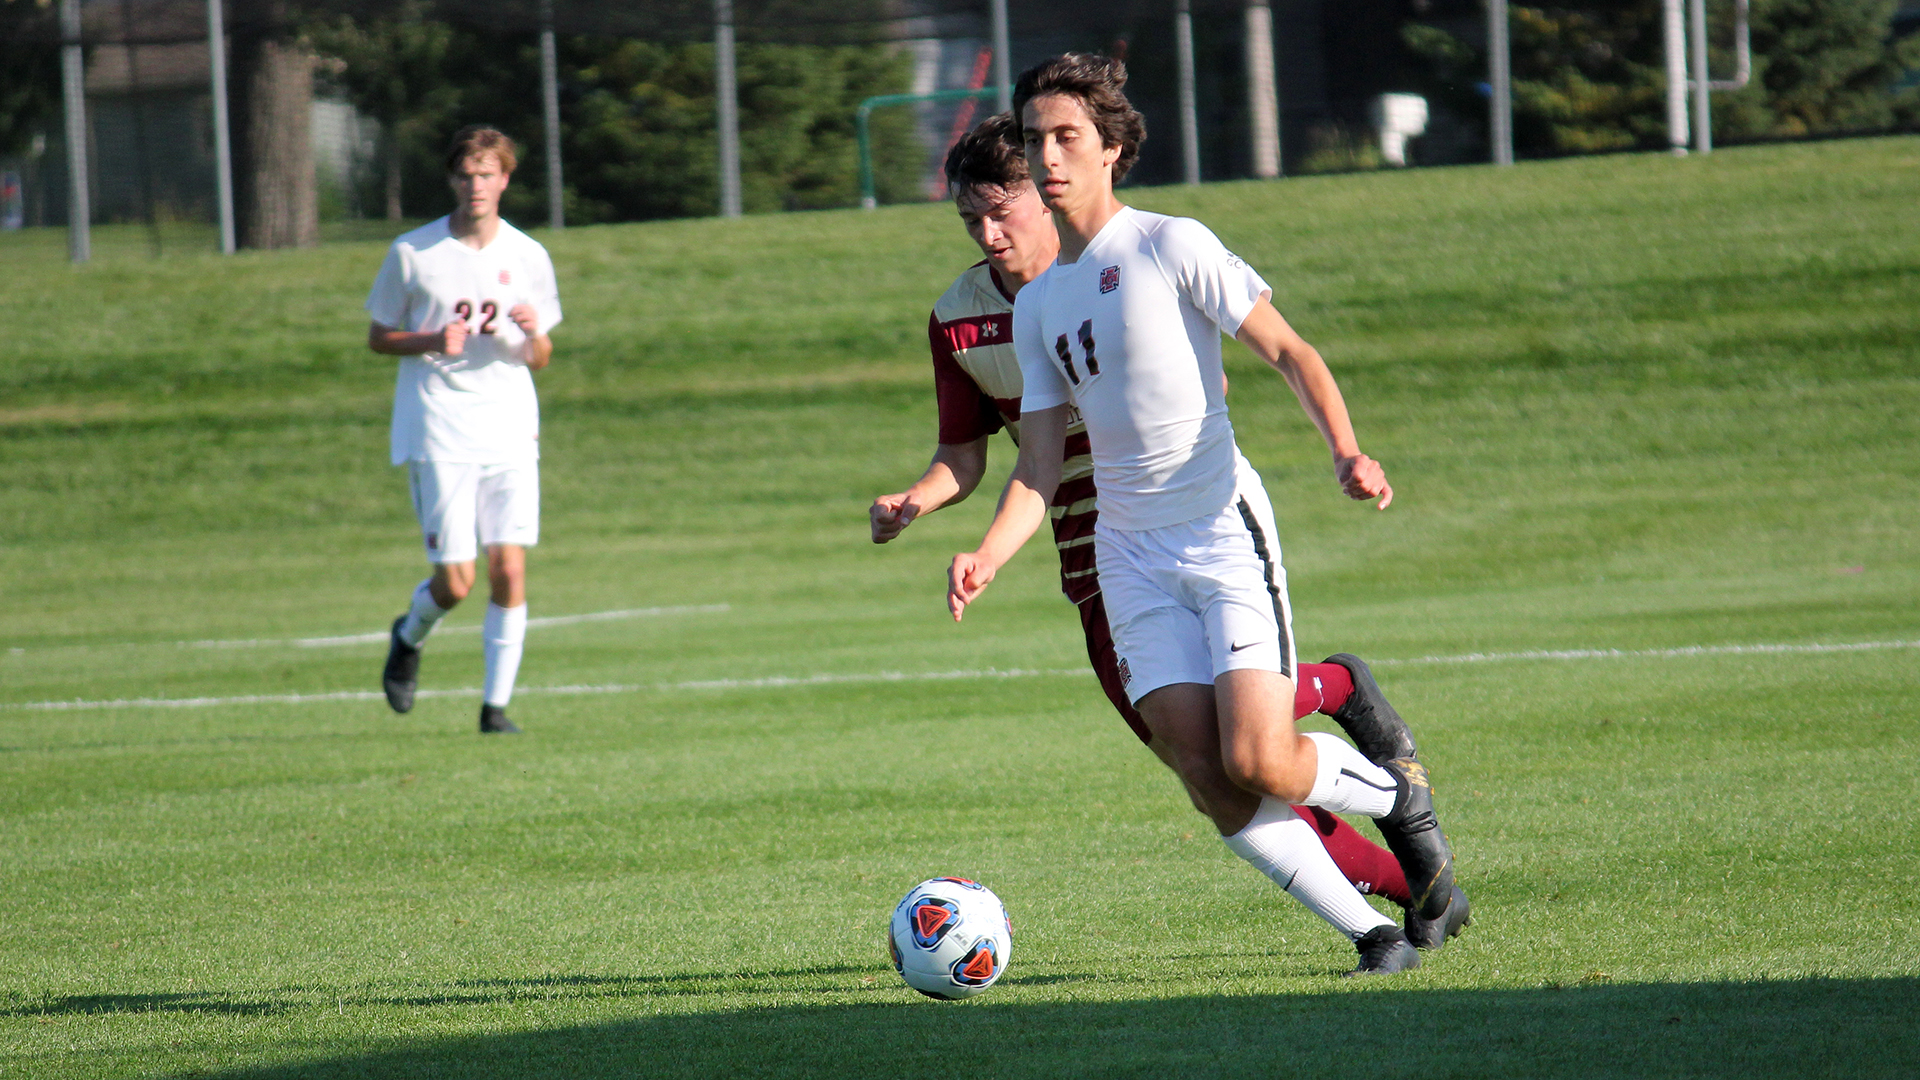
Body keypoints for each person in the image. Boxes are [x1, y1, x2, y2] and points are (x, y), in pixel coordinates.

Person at [872, 114, 1465, 958]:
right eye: (971, 220)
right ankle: (1397, 905)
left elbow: (1238, 362)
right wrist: (928, 511)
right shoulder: (973, 317)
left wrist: (1344, 450)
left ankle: (1350, 726)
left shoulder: (1142, 257)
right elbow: (980, 458)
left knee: (1244, 748)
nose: (989, 233)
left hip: (1195, 522)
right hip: (1098, 556)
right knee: (1202, 761)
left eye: (1003, 209)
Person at [367, 126, 561, 735]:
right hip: (439, 426)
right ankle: (409, 634)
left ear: (505, 179)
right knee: (456, 580)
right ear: (452, 180)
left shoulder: (527, 255)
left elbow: (541, 356)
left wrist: (533, 336)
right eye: (465, 174)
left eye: (487, 173)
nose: (476, 185)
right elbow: (378, 336)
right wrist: (428, 339)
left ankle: (495, 709)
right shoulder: (413, 252)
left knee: (510, 569)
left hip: (507, 427)